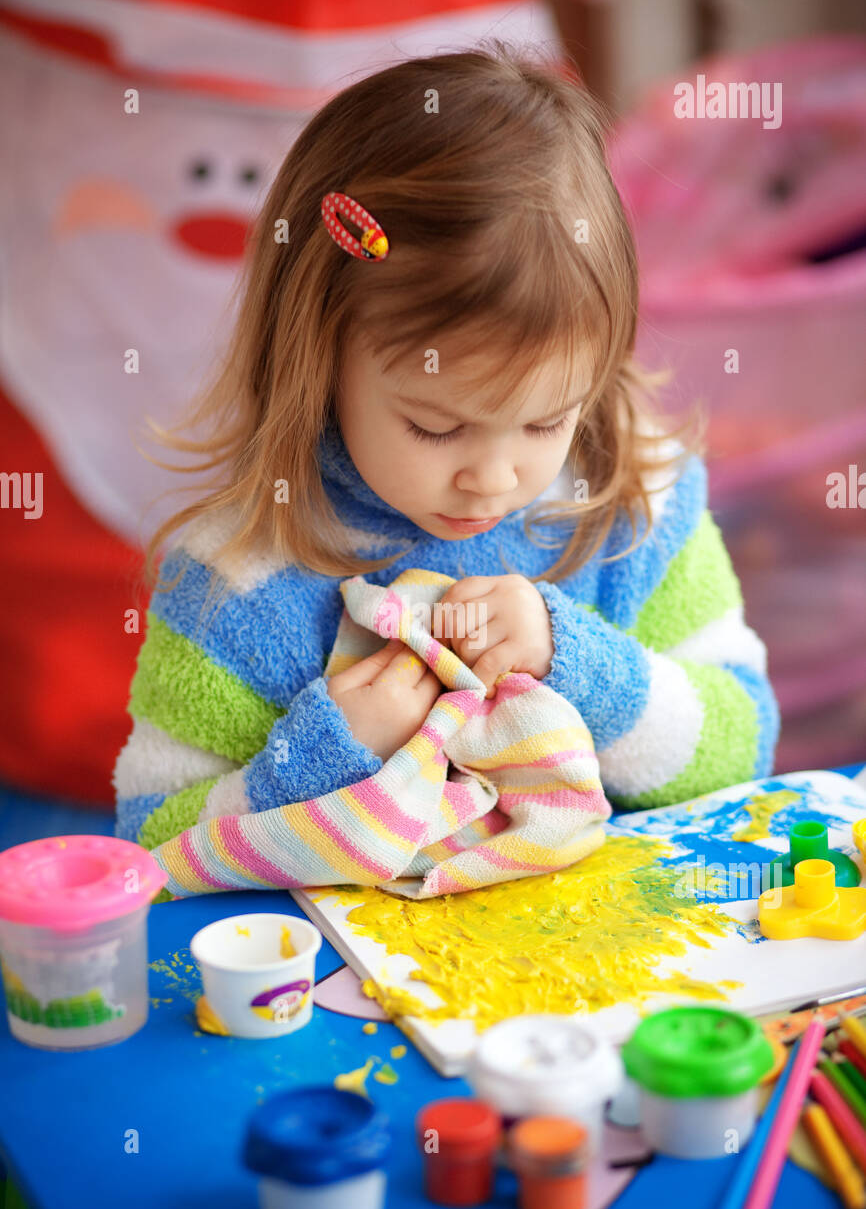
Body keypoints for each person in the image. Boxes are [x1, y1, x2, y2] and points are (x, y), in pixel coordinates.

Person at [113, 46, 779, 849]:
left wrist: (576, 663)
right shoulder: (240, 577)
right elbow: (152, 847)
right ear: (318, 360)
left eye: (547, 421)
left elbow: (744, 749)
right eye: (436, 427)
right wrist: (328, 756)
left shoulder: (636, 502)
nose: (493, 480)